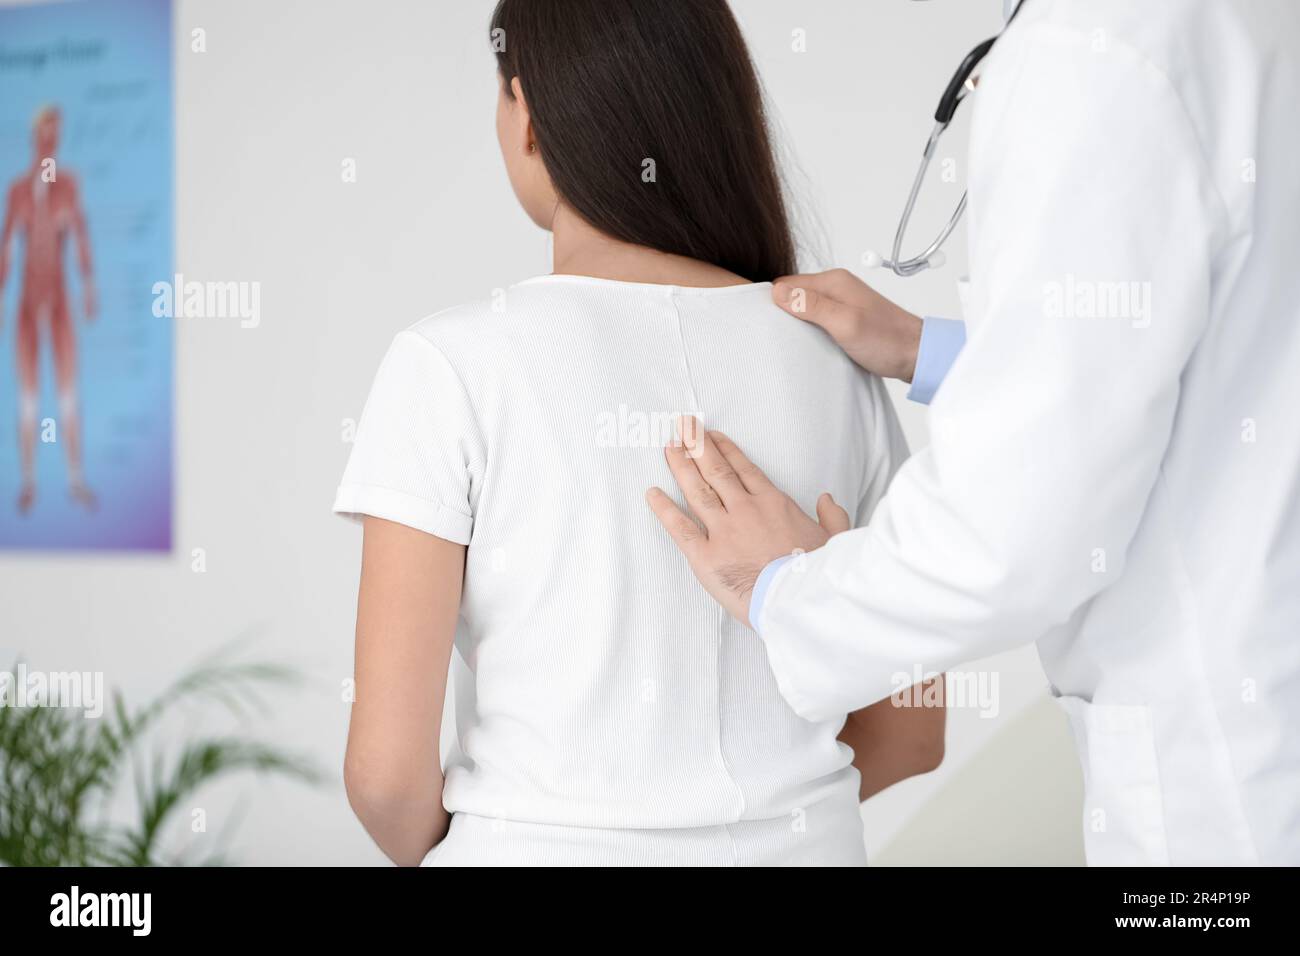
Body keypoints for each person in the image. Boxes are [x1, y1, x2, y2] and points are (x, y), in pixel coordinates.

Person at [649, 0, 1300, 865]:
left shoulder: (1089, 48)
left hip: (1232, 794)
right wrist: (942, 354)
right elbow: (1218, 356)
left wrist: (788, 591)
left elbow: (1023, 533)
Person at [334, 0, 943, 867]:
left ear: (530, 119)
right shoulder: (843, 362)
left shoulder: (449, 364)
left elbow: (386, 780)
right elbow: (912, 732)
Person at [0, 105, 98, 514]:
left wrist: (89, 284)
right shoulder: (18, 191)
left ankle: (75, 479)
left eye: (55, 137)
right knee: (27, 395)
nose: (50, 144)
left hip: (57, 300)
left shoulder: (68, 186)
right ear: (34, 139)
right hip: (27, 301)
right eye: (44, 136)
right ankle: (28, 481)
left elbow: (80, 234)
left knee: (67, 391)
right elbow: (5, 246)